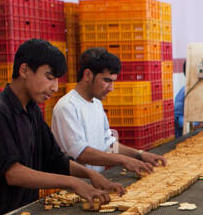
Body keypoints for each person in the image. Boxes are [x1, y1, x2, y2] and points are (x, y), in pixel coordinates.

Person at [0, 39, 123, 215]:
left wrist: (89, 174)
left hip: (25, 211)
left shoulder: (32, 110)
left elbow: (54, 158)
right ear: (24, 70)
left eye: (56, 80)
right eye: (49, 77)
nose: (54, 87)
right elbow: (14, 173)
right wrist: (73, 183)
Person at [50, 47, 168, 175]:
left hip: (96, 182)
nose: (111, 88)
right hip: (74, 187)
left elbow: (109, 144)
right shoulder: (67, 107)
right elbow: (81, 153)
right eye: (107, 80)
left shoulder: (96, 104)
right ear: (88, 75)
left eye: (113, 81)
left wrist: (139, 154)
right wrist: (123, 160)